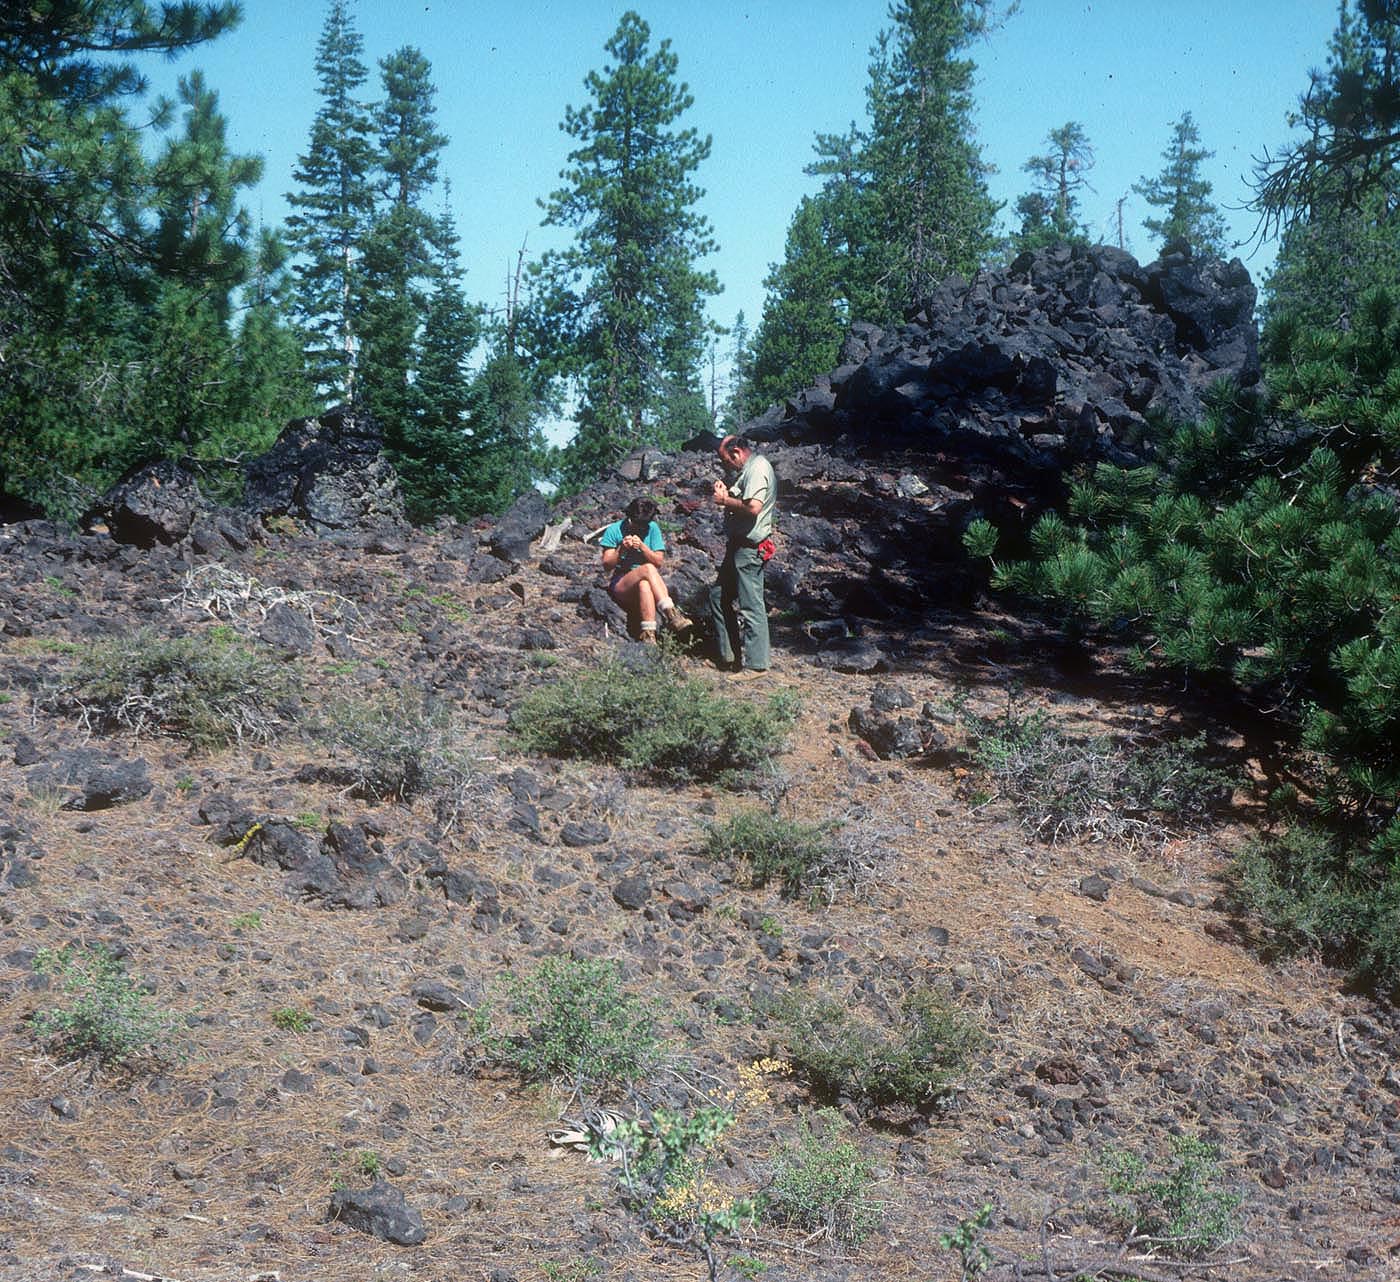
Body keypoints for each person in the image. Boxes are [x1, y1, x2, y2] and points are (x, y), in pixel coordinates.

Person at [708, 434, 776, 676]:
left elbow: (753, 507)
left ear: (736, 453)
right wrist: (727, 492)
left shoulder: (758, 468)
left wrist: (725, 500)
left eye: (726, 461)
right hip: (738, 545)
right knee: (718, 595)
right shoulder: (747, 470)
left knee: (751, 604)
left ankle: (757, 665)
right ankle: (729, 657)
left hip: (749, 548)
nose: (727, 465)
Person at [599, 497, 693, 642]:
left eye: (644, 525)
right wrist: (621, 550)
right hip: (622, 582)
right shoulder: (614, 530)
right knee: (648, 568)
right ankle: (672, 614)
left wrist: (643, 547)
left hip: (646, 579)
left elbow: (658, 561)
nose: (641, 528)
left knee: (645, 584)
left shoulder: (653, 528)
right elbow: (606, 565)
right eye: (637, 524)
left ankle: (648, 634)